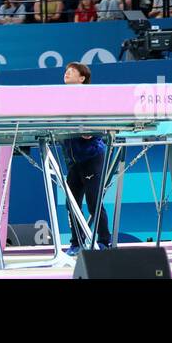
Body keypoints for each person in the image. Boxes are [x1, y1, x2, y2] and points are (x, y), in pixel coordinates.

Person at [61, 62, 111, 252]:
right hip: (73, 161)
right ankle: (77, 243)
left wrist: (91, 128)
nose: (67, 73)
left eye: (72, 71)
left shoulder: (91, 96)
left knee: (93, 202)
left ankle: (105, 241)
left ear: (82, 78)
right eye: (66, 71)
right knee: (71, 204)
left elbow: (100, 121)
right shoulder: (60, 97)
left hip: (91, 157)